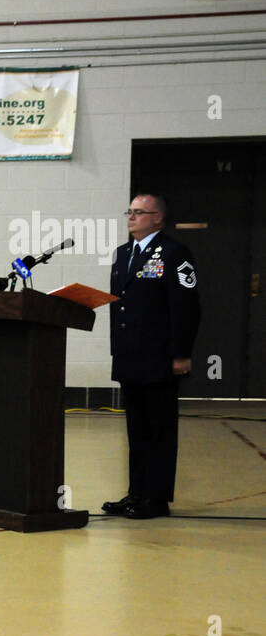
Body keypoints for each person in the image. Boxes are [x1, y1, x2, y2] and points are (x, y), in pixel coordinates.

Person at [102, 193, 201, 520]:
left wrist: (181, 353)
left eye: (139, 212)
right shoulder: (122, 254)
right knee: (136, 430)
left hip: (160, 357)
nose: (131, 217)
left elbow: (186, 307)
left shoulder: (174, 253)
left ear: (157, 217)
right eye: (129, 212)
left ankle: (156, 499)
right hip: (130, 356)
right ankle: (136, 493)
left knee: (159, 430)